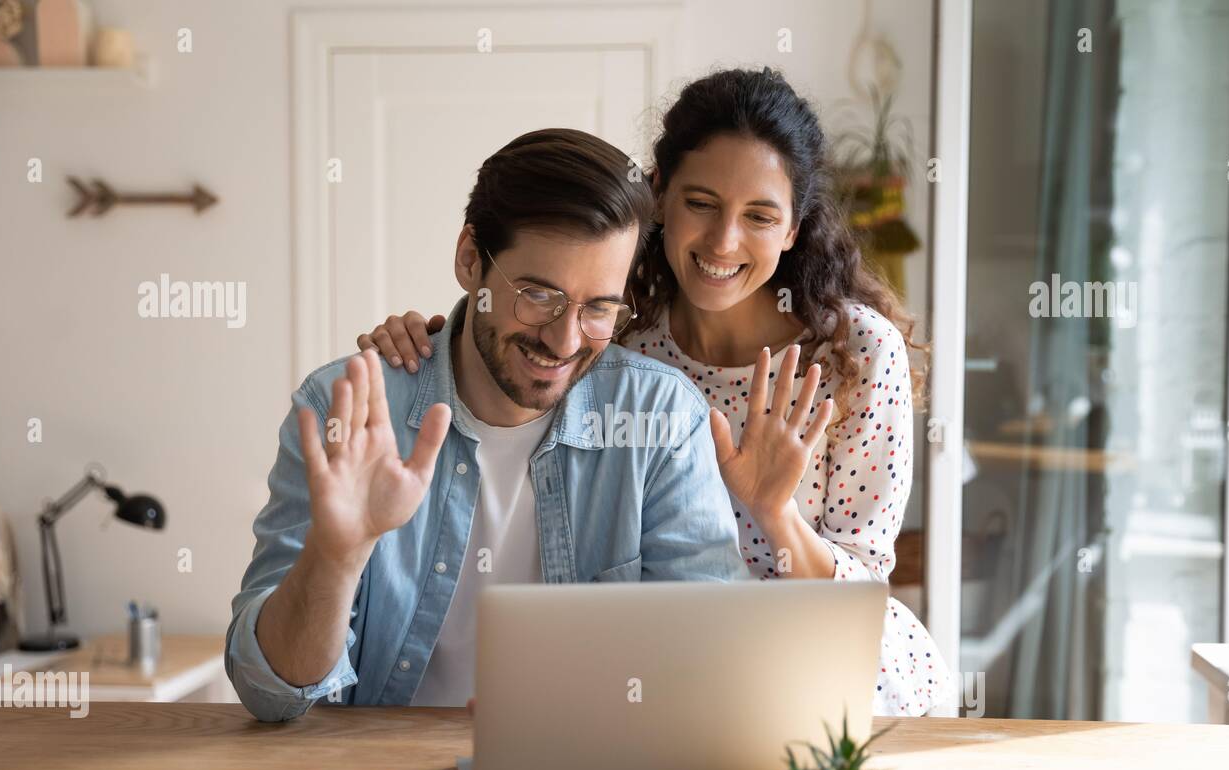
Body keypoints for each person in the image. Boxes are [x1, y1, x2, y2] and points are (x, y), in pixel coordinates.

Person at [357, 69, 951, 717]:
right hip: (666, 683)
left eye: (759, 216)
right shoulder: (620, 348)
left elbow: (862, 592)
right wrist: (434, 339)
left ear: (793, 229)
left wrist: (777, 513)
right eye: (700, 202)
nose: (723, 241)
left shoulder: (856, 355)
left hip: (828, 664)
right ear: (661, 195)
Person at [227, 128, 748, 723]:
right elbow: (268, 694)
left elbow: (712, 666)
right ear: (470, 258)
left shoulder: (660, 421)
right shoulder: (346, 408)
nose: (564, 339)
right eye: (538, 295)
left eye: (599, 307)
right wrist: (336, 556)